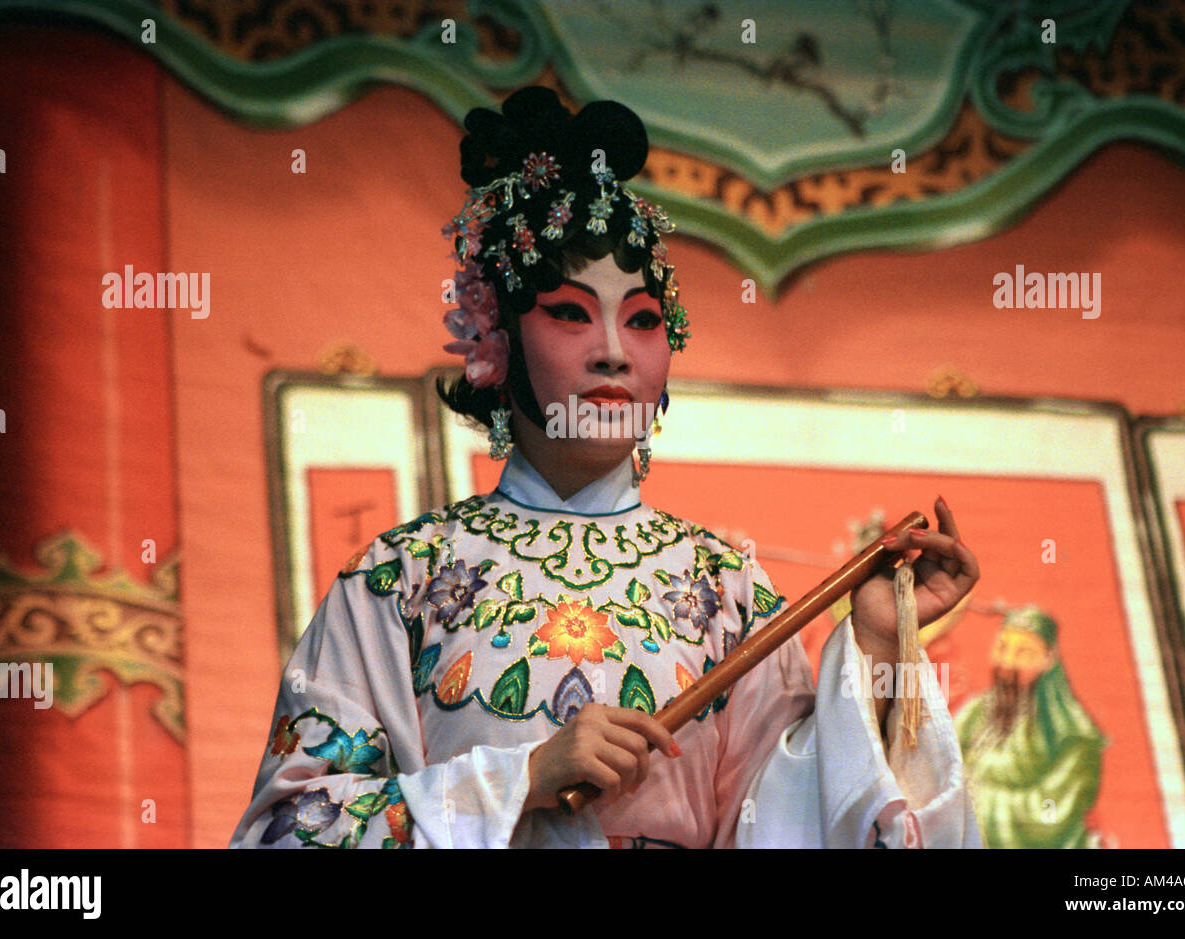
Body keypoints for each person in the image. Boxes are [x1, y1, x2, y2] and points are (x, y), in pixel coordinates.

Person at [230, 86, 983, 848]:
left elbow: (790, 822)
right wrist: (515, 780)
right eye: (569, 312)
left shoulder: (727, 590)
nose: (614, 352)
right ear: (493, 335)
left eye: (644, 320)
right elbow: (291, 829)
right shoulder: (402, 581)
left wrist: (883, 647)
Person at [955, 606, 1106, 848]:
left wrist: (972, 799)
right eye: (1002, 648)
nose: (1008, 662)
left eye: (1023, 652)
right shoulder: (974, 713)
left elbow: (1051, 816)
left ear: (1048, 659)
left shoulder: (1073, 735)